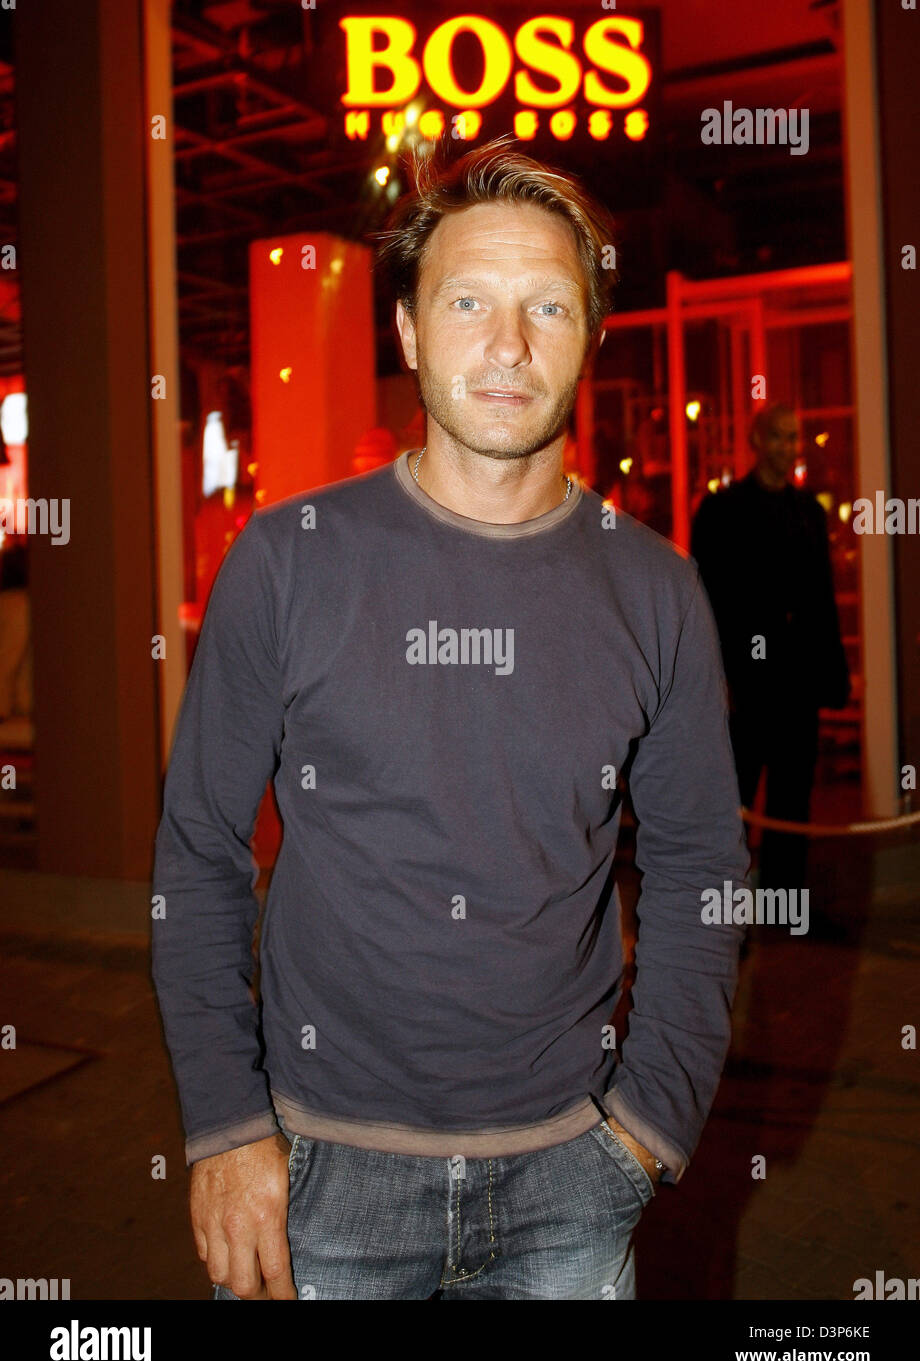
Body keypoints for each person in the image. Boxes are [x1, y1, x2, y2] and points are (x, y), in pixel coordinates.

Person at [152, 135, 749, 1301]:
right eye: (467, 301)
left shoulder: (657, 588)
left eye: (548, 308)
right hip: (315, 1176)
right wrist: (226, 1127)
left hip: (569, 1182)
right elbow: (200, 851)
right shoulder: (284, 563)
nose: (507, 346)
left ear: (591, 336)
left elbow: (698, 868)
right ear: (411, 333)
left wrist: (644, 1128)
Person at [690, 403, 850, 895]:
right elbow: (707, 599)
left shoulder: (809, 514)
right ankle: (726, 896)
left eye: (793, 438)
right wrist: (717, 678)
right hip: (745, 682)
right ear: (758, 441)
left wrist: (830, 675)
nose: (788, 447)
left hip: (795, 681)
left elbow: (822, 599)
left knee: (792, 796)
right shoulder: (723, 511)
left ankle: (785, 895)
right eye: (778, 437)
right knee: (734, 793)